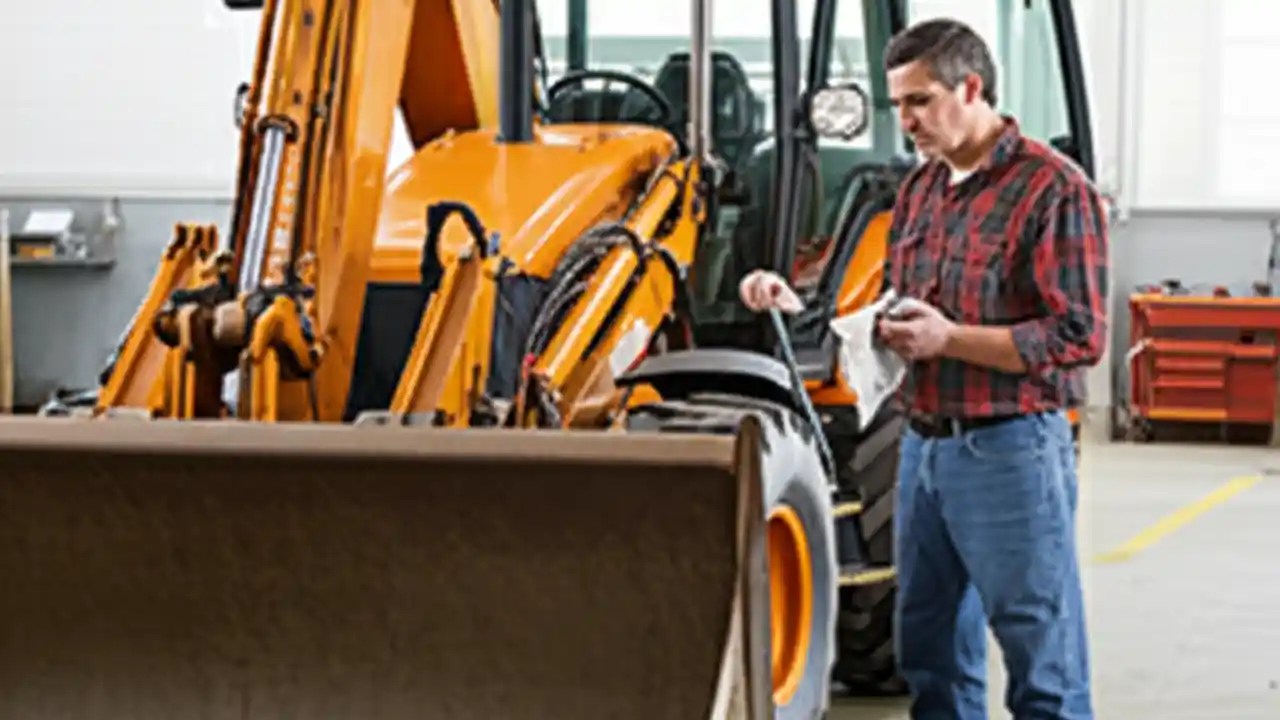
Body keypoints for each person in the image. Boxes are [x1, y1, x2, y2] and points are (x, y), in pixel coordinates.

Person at [740, 17, 1108, 720]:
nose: (904, 121)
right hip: (924, 450)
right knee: (929, 653)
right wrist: (801, 304)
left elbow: (1077, 335)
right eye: (897, 104)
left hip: (1010, 450)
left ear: (971, 88)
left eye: (918, 101)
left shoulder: (1053, 191)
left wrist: (951, 341)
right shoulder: (920, 191)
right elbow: (902, 309)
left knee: (1041, 658)